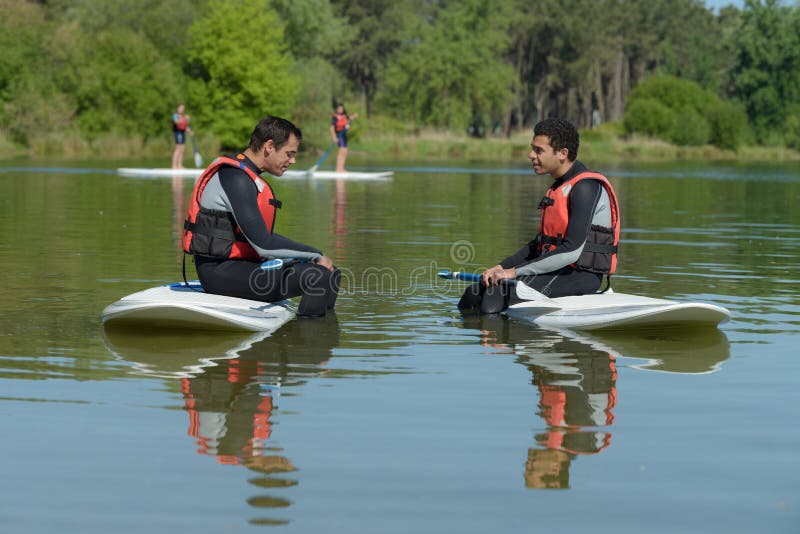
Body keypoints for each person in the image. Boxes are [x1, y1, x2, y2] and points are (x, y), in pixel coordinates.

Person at [458, 118, 620, 314]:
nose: (530, 155)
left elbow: (571, 251)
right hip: (554, 271)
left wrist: (514, 273)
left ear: (562, 154)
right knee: (474, 293)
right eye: (532, 149)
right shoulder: (559, 186)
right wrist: (500, 267)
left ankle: (499, 340)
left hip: (581, 276)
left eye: (538, 150)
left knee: (497, 293)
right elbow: (538, 245)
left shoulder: (586, 187)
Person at [183, 115, 340, 317]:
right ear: (269, 146)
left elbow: (260, 241)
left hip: (242, 266)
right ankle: (305, 342)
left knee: (332, 272)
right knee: (317, 276)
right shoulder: (235, 178)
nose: (292, 161)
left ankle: (322, 332)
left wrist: (310, 257)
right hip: (218, 273)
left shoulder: (246, 176)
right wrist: (316, 254)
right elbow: (263, 244)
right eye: (289, 154)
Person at [330, 103, 358, 173]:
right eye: (339, 108)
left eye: (341, 109)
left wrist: (354, 116)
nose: (340, 110)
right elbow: (331, 128)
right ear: (337, 109)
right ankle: (338, 169)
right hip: (339, 135)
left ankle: (342, 169)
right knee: (341, 151)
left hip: (344, 135)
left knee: (345, 151)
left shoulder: (344, 116)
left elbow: (351, 118)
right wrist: (334, 137)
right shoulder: (335, 117)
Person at [171, 103, 192, 169]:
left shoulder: (183, 116)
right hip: (177, 133)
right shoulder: (175, 115)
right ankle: (174, 165)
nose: (182, 109)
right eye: (181, 108)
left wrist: (190, 131)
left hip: (182, 133)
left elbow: (184, 126)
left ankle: (180, 165)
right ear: (178, 108)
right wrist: (185, 118)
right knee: (178, 148)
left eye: (183, 108)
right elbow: (177, 122)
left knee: (182, 149)